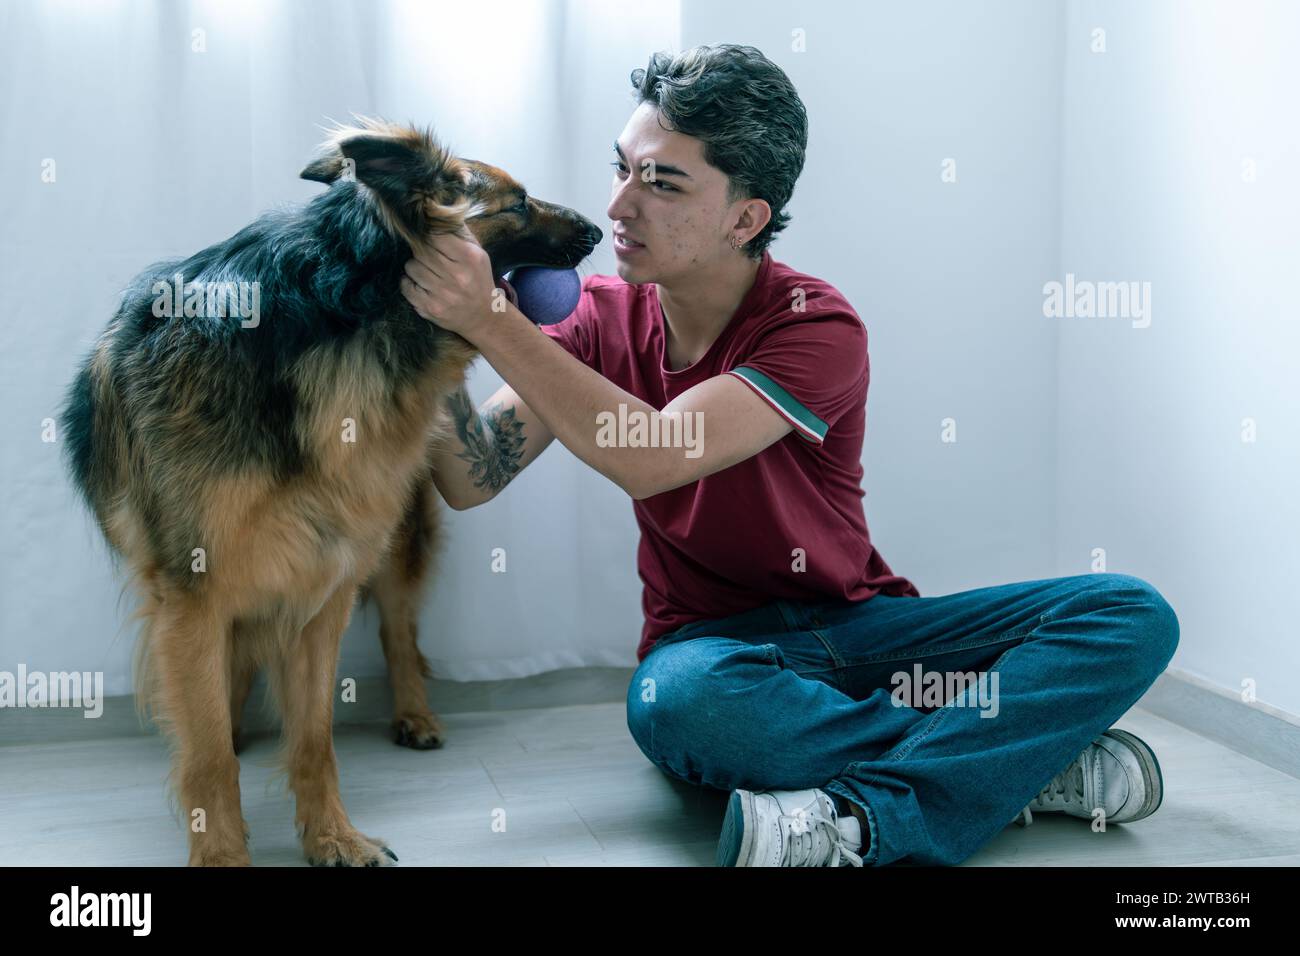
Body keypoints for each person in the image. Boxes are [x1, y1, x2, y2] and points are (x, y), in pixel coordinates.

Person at [398, 43, 1179, 867]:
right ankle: (1011, 764)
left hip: (860, 632)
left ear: (746, 218)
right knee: (678, 704)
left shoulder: (815, 325)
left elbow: (657, 451)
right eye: (622, 169)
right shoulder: (595, 319)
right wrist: (437, 331)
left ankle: (868, 819)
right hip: (713, 653)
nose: (619, 205)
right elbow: (467, 477)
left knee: (1130, 613)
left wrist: (490, 319)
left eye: (662, 183)